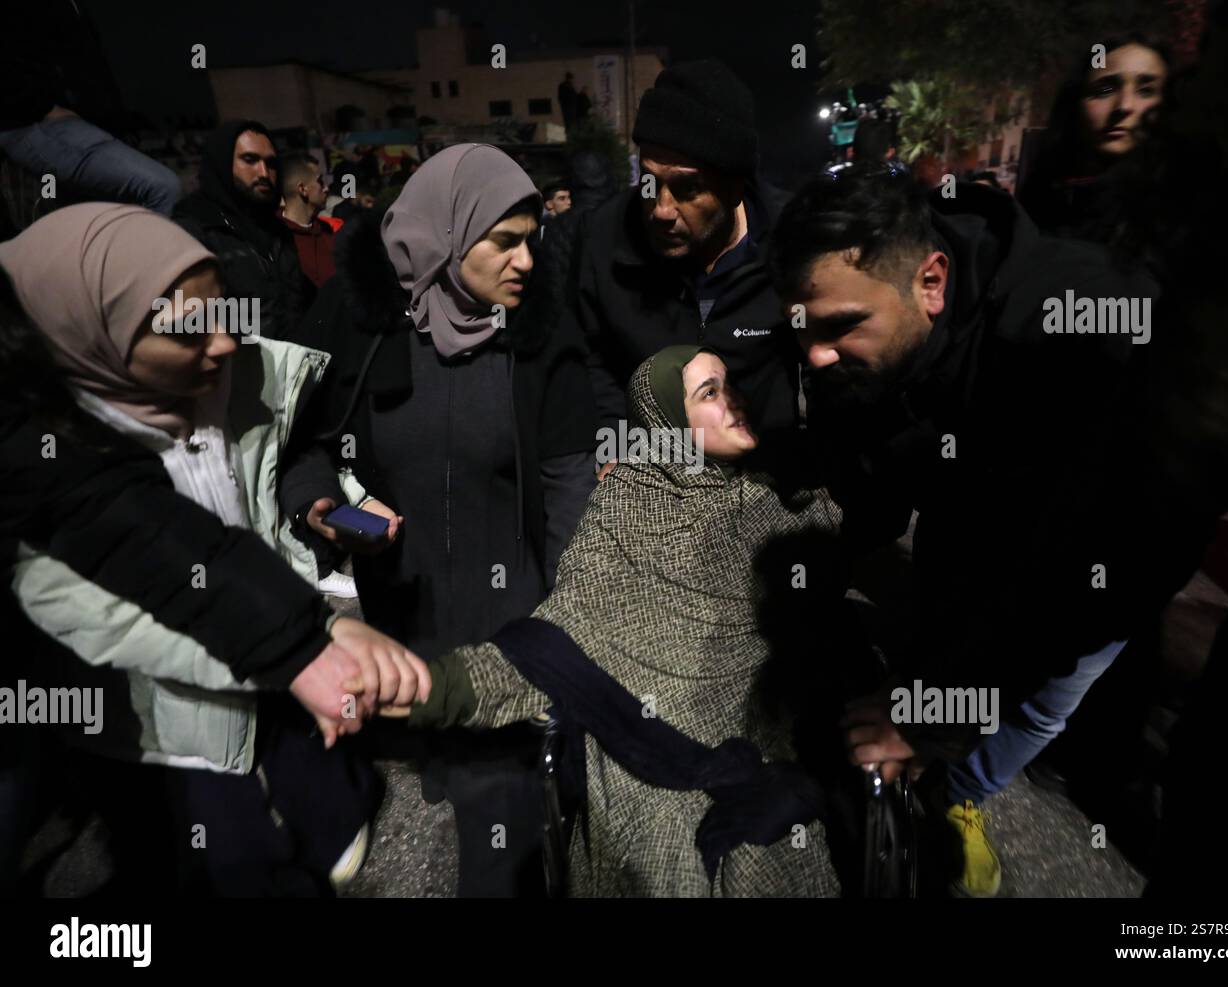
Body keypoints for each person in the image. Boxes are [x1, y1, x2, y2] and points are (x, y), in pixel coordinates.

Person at [0, 203, 431, 895]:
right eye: (188, 328)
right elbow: (103, 618)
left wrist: (321, 499)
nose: (225, 341)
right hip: (165, 719)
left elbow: (298, 446)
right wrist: (299, 649)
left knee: (327, 803)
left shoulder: (244, 370)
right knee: (225, 857)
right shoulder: (48, 469)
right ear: (95, 338)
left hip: (283, 655)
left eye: (224, 311)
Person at [768, 168, 1173, 897]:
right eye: (804, 330)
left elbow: (1060, 573)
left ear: (932, 280)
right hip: (977, 509)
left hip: (1109, 564)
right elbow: (873, 450)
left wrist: (930, 710)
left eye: (839, 329)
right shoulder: (863, 309)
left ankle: (967, 791)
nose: (815, 357)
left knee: (1047, 693)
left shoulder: (1080, 332)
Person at [392, 345, 858, 896]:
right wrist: (426, 688)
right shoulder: (627, 505)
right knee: (666, 866)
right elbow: (560, 639)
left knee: (777, 861)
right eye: (709, 393)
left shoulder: (783, 497)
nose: (734, 400)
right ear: (666, 420)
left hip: (770, 743)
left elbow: (837, 621)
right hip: (648, 754)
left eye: (729, 384)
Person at [284, 143, 597, 895]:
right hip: (403, 619)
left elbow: (567, 484)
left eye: (532, 240)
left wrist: (565, 621)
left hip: (510, 622)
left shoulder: (540, 337)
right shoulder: (363, 325)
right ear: (447, 236)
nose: (525, 260)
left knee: (502, 834)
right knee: (445, 767)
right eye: (504, 241)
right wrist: (320, 503)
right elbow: (302, 446)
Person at [572, 59, 801, 449]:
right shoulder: (603, 242)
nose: (661, 209)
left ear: (735, 189)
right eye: (649, 182)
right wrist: (612, 442)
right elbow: (594, 360)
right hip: (653, 478)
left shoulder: (792, 243)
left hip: (768, 479)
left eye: (687, 188)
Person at [0, 1, 181, 217]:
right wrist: (41, 107)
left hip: (77, 123)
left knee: (98, 214)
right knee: (162, 188)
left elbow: (88, 69)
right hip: (36, 123)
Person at [1016, 32, 1170, 244]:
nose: (1124, 106)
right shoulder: (1037, 206)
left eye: (1146, 91)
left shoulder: (1193, 215)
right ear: (1075, 103)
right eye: (1104, 90)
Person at [172, 120, 313, 342]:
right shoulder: (194, 230)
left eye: (271, 163)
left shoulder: (276, 230)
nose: (264, 172)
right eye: (250, 160)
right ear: (223, 162)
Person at [279, 152, 337, 288]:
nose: (326, 188)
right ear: (302, 189)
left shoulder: (328, 231)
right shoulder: (276, 237)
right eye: (320, 181)